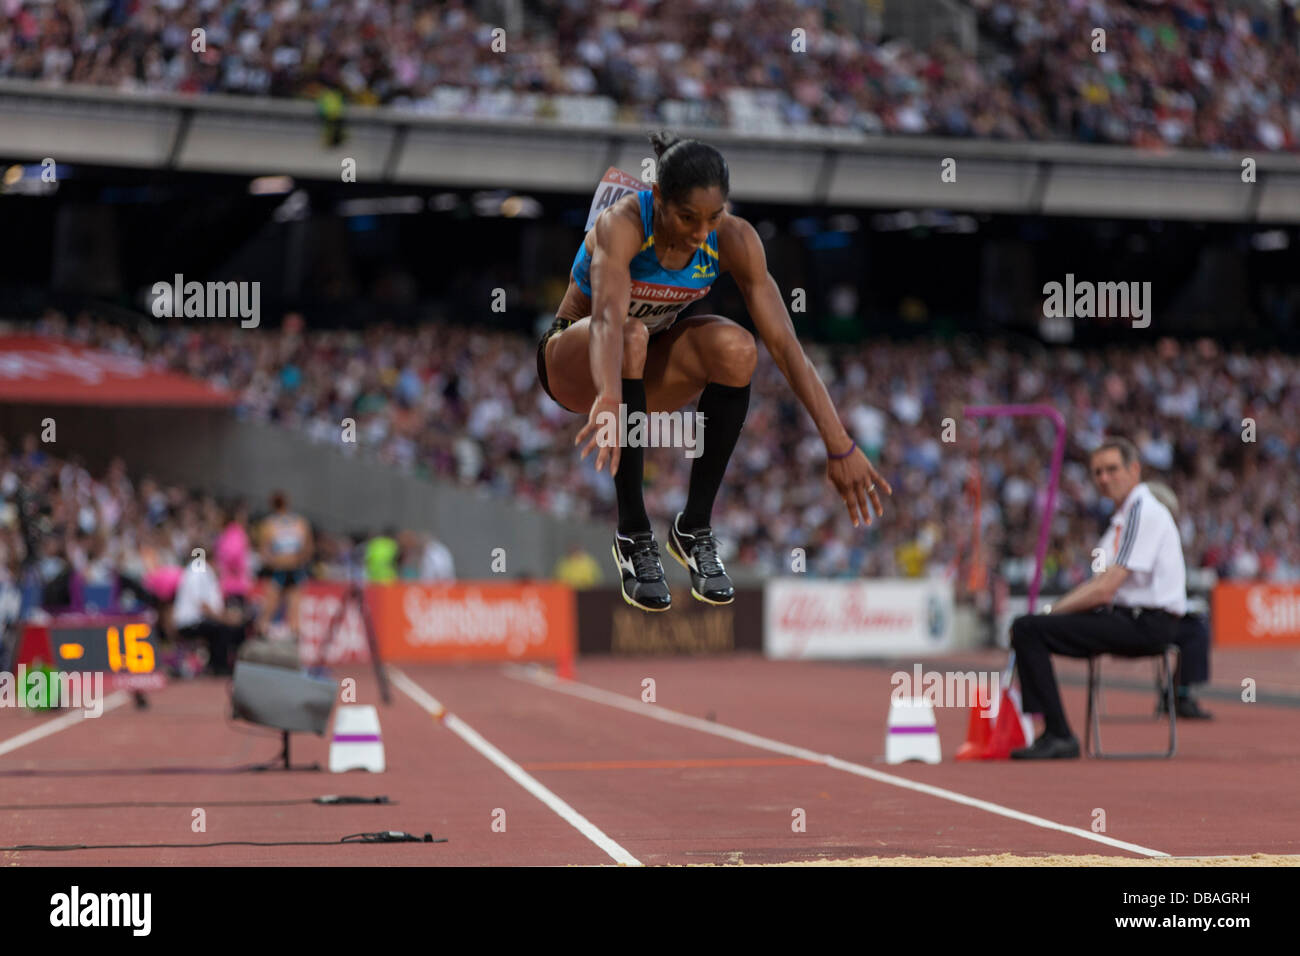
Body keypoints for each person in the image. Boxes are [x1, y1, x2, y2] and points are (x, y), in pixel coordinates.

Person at [537, 131, 892, 612]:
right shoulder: (621, 225)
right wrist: (605, 394)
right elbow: (604, 320)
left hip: (642, 368)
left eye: (714, 216)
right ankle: (633, 534)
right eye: (687, 217)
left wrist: (839, 444)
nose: (700, 232)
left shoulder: (735, 240)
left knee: (738, 348)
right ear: (658, 197)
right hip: (576, 360)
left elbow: (787, 348)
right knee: (631, 334)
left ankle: (692, 528)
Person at [1009, 436, 1189, 759]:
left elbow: (1105, 588)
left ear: (1134, 469)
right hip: (1124, 617)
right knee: (1028, 628)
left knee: (1028, 628)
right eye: (1097, 473)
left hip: (1147, 623)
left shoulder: (1143, 511)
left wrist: (1053, 611)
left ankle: (1058, 733)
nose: (1104, 479)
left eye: (1111, 470)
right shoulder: (1118, 522)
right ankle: (1053, 729)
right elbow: (1098, 580)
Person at [173, 542, 247, 675]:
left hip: (198, 620)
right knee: (222, 629)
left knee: (228, 627)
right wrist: (226, 619)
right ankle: (219, 667)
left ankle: (220, 664)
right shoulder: (199, 571)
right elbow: (203, 607)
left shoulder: (202, 572)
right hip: (190, 622)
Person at [256, 491, 313, 636]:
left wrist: (277, 561)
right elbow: (308, 548)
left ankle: (265, 633)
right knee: (286, 608)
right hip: (289, 569)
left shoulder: (269, 524)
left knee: (274, 608)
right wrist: (296, 560)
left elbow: (263, 551)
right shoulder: (299, 522)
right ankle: (286, 634)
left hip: (283, 569)